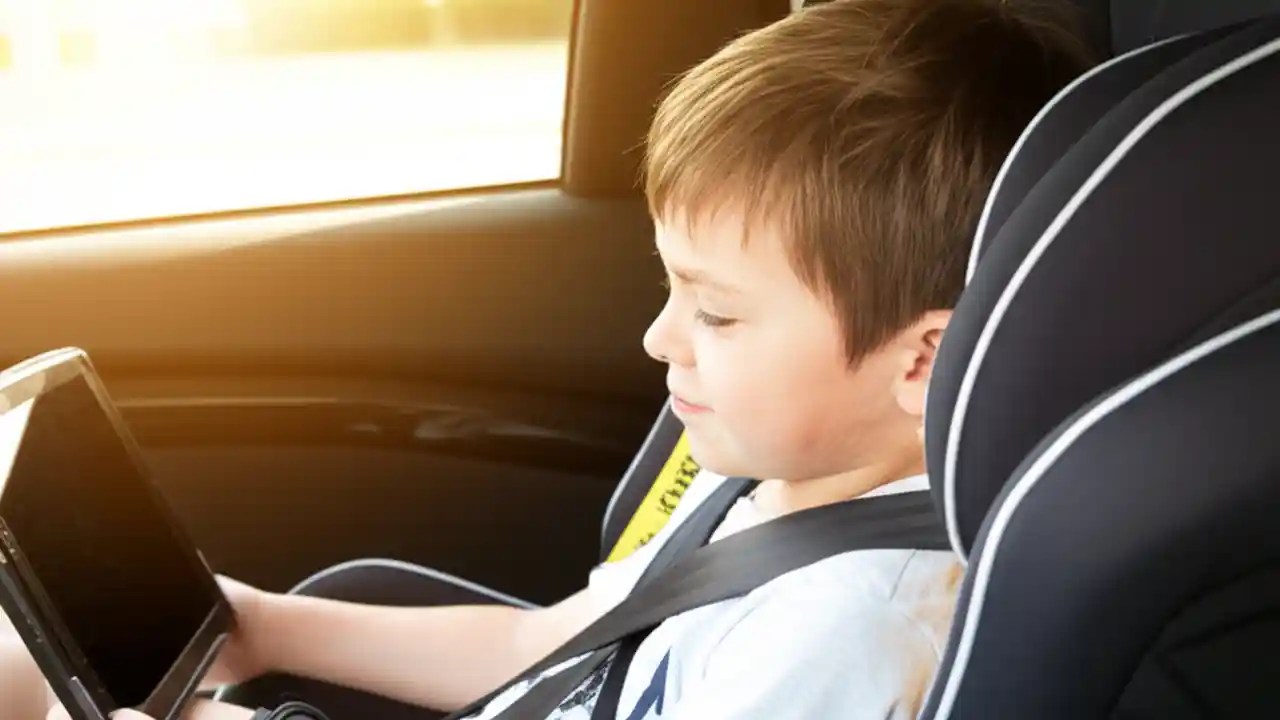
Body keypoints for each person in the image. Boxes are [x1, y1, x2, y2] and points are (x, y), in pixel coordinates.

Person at [10, 1, 1094, 718]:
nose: (657, 339)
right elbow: (555, 642)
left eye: (714, 313)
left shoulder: (847, 636)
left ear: (921, 363)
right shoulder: (763, 477)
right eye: (668, 287)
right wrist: (266, 625)